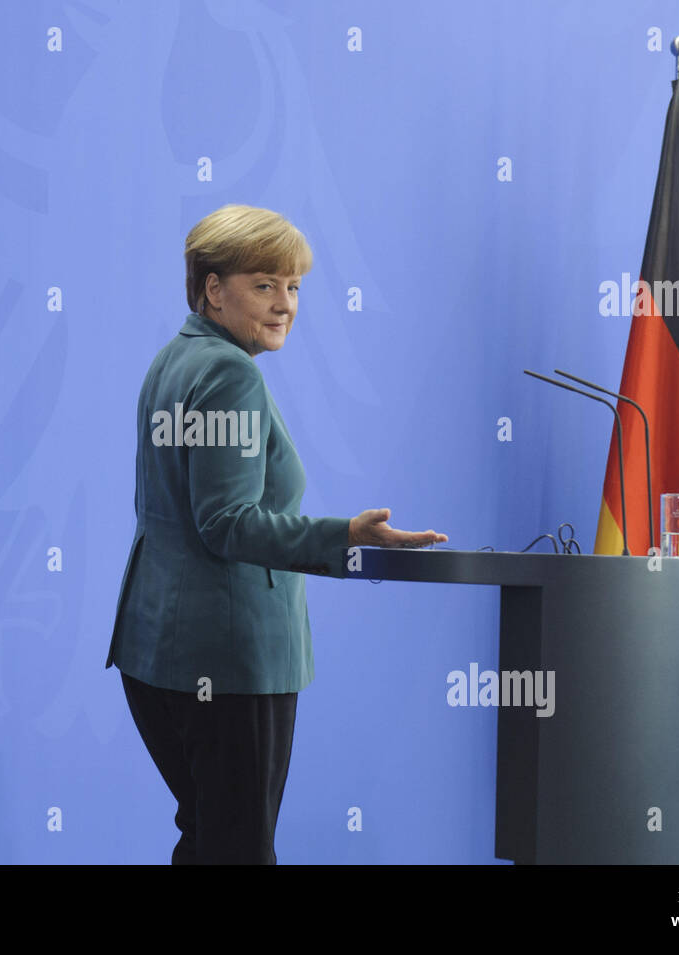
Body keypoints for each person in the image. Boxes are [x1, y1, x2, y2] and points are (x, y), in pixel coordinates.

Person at [106, 203, 446, 864]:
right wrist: (347, 534)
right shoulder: (231, 375)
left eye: (293, 287)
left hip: (158, 650)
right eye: (265, 284)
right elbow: (226, 522)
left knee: (208, 836)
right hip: (229, 658)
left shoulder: (172, 361)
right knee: (237, 848)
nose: (285, 303)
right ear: (213, 288)